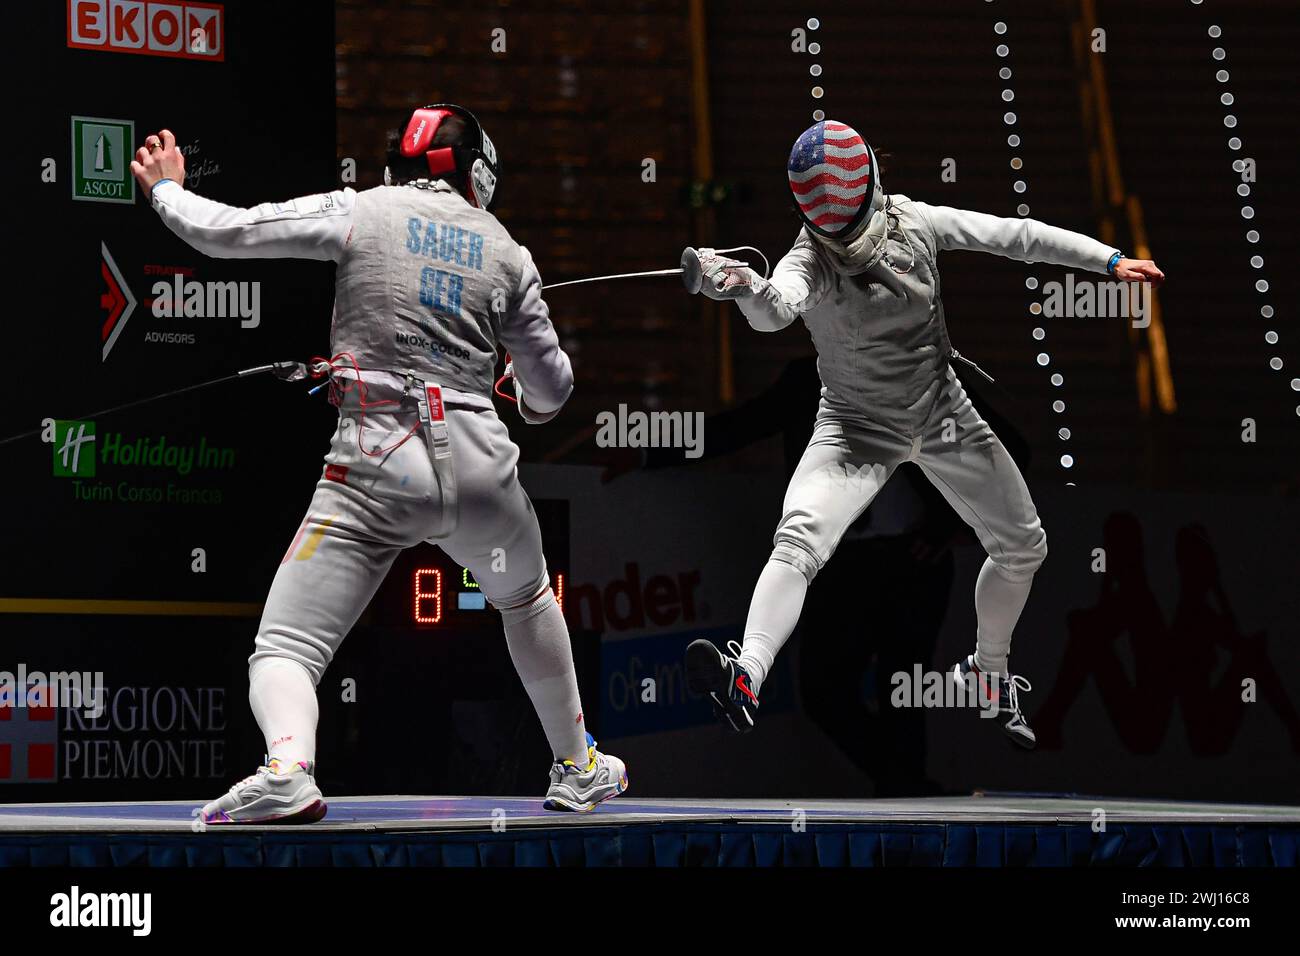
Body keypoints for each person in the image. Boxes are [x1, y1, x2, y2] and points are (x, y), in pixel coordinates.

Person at [129, 105, 627, 822]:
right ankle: (579, 766)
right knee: (525, 600)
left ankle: (289, 768)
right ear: (478, 173)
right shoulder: (510, 252)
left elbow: (229, 231)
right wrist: (518, 384)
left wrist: (168, 189)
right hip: (483, 469)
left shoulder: (360, 209)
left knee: (287, 647)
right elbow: (551, 393)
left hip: (375, 463)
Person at [684, 119, 1164, 749]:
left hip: (943, 412)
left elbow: (1014, 237)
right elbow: (776, 309)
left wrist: (1105, 261)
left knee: (1024, 546)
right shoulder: (808, 260)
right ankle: (747, 673)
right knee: (799, 539)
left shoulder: (918, 222)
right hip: (855, 427)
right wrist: (743, 285)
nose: (846, 239)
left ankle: (988, 674)